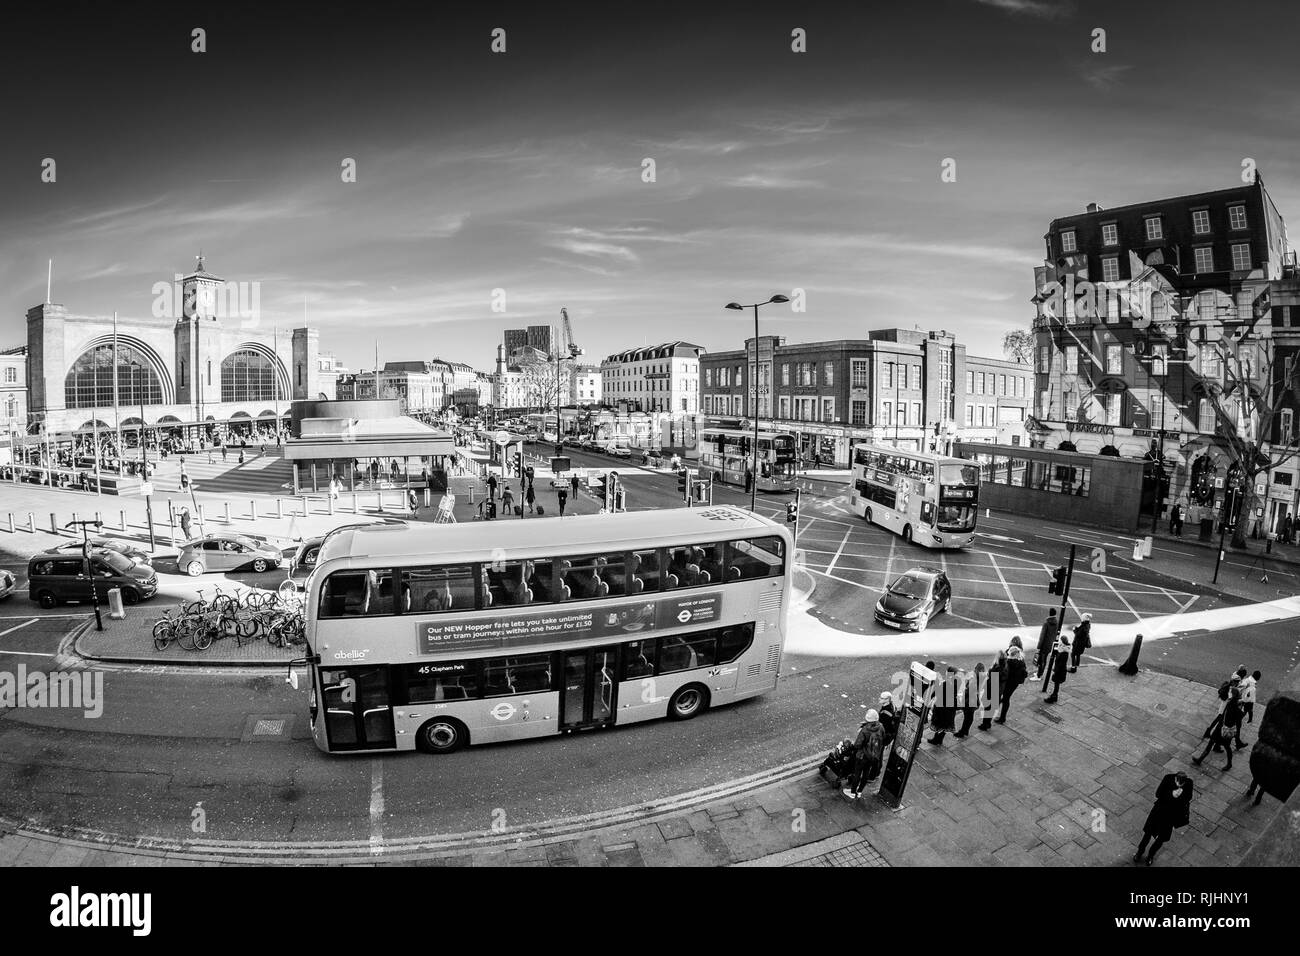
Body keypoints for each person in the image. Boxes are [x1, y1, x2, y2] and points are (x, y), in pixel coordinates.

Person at [1135, 771, 1193, 866]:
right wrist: (1172, 794)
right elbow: (1158, 794)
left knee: (1161, 839)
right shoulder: (1168, 778)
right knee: (1147, 834)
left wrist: (1180, 796)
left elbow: (1189, 797)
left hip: (1171, 816)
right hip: (1159, 812)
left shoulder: (1189, 783)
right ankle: (1140, 852)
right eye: (1178, 783)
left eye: (1182, 784)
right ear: (1176, 778)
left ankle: (1150, 855)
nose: (1180, 785)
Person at [1193, 681, 1243, 770]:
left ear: (1233, 695)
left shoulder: (1232, 705)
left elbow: (1233, 718)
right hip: (1222, 728)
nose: (1229, 693)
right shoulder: (1234, 705)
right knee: (1215, 743)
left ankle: (1228, 764)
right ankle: (1200, 759)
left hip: (1225, 729)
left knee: (1224, 746)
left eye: (1230, 693)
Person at [843, 711, 886, 799]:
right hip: (873, 756)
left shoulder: (865, 729)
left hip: (862, 756)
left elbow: (857, 744)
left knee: (857, 773)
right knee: (866, 773)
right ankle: (859, 792)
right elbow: (883, 739)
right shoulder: (881, 727)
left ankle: (852, 792)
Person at [928, 666, 959, 745]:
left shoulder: (946, 683)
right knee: (945, 725)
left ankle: (936, 740)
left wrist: (932, 696)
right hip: (950, 709)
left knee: (940, 724)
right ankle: (940, 740)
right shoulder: (955, 682)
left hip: (942, 708)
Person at [996, 646, 1027, 724]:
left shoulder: (1009, 662)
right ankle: (1002, 716)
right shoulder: (1021, 661)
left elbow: (1004, 674)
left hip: (1007, 683)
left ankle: (1002, 718)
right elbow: (1024, 673)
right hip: (1014, 684)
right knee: (1007, 698)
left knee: (1005, 699)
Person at [955, 663, 984, 738]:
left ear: (976, 669)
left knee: (967, 717)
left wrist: (967, 683)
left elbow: (969, 690)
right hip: (974, 700)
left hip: (969, 700)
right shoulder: (981, 678)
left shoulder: (974, 679)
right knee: (970, 717)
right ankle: (965, 730)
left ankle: (962, 732)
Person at [979, 652, 1005, 731]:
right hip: (998, 692)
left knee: (987, 708)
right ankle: (988, 723)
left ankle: (985, 725)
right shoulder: (1005, 667)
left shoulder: (996, 669)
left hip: (991, 692)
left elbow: (991, 683)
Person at [1035, 608, 1060, 679]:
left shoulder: (1046, 623)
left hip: (1044, 645)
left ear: (1049, 613)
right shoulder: (1057, 622)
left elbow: (1042, 636)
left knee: (1041, 660)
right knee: (1044, 659)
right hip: (1050, 645)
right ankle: (1040, 673)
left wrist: (1038, 647)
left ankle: (1038, 675)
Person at [1044, 637, 1070, 703]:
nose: (1059, 642)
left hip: (1060, 671)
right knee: (1056, 684)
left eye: (1060, 641)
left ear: (1063, 642)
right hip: (1059, 670)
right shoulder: (1061, 648)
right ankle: (1054, 696)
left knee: (1056, 684)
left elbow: (1061, 664)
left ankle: (1054, 697)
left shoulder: (1064, 652)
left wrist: (1055, 671)